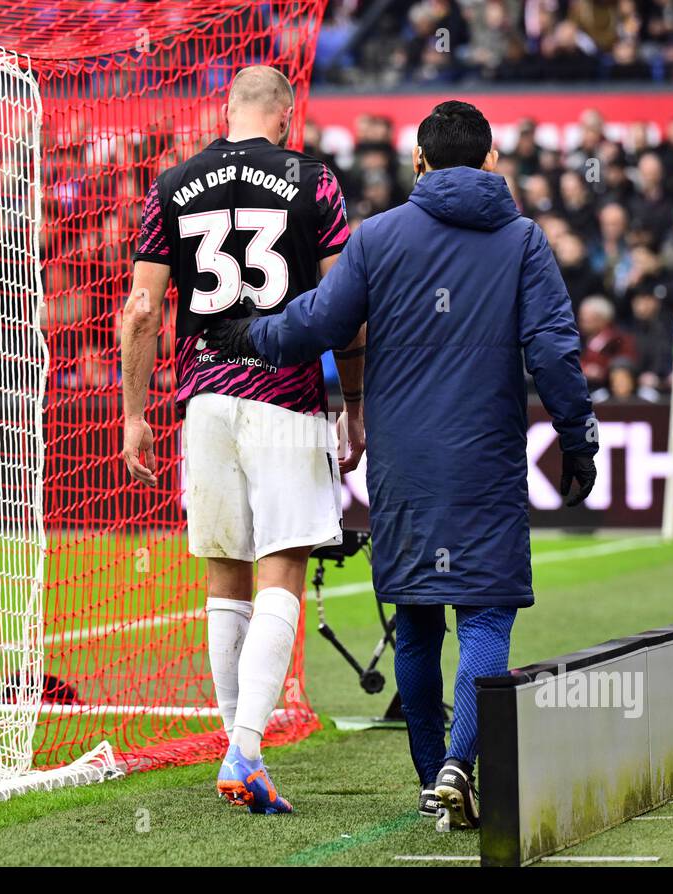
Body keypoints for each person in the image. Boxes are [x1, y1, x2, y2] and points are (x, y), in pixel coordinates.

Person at [207, 101, 598, 829]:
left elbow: (321, 323)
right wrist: (578, 439)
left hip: (404, 468)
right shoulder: (522, 241)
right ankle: (459, 764)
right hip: (486, 462)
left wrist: (245, 335)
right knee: (485, 618)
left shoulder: (379, 237)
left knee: (416, 626)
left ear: (418, 161)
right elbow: (552, 350)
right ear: (491, 163)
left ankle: (431, 781)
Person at [120, 66, 364, 815]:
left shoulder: (170, 184)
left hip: (205, 403)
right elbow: (346, 309)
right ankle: (247, 748)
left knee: (224, 578)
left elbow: (138, 310)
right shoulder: (312, 181)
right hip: (283, 399)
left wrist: (135, 412)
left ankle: (235, 745)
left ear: (227, 111)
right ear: (285, 120)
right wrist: (351, 404)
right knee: (280, 571)